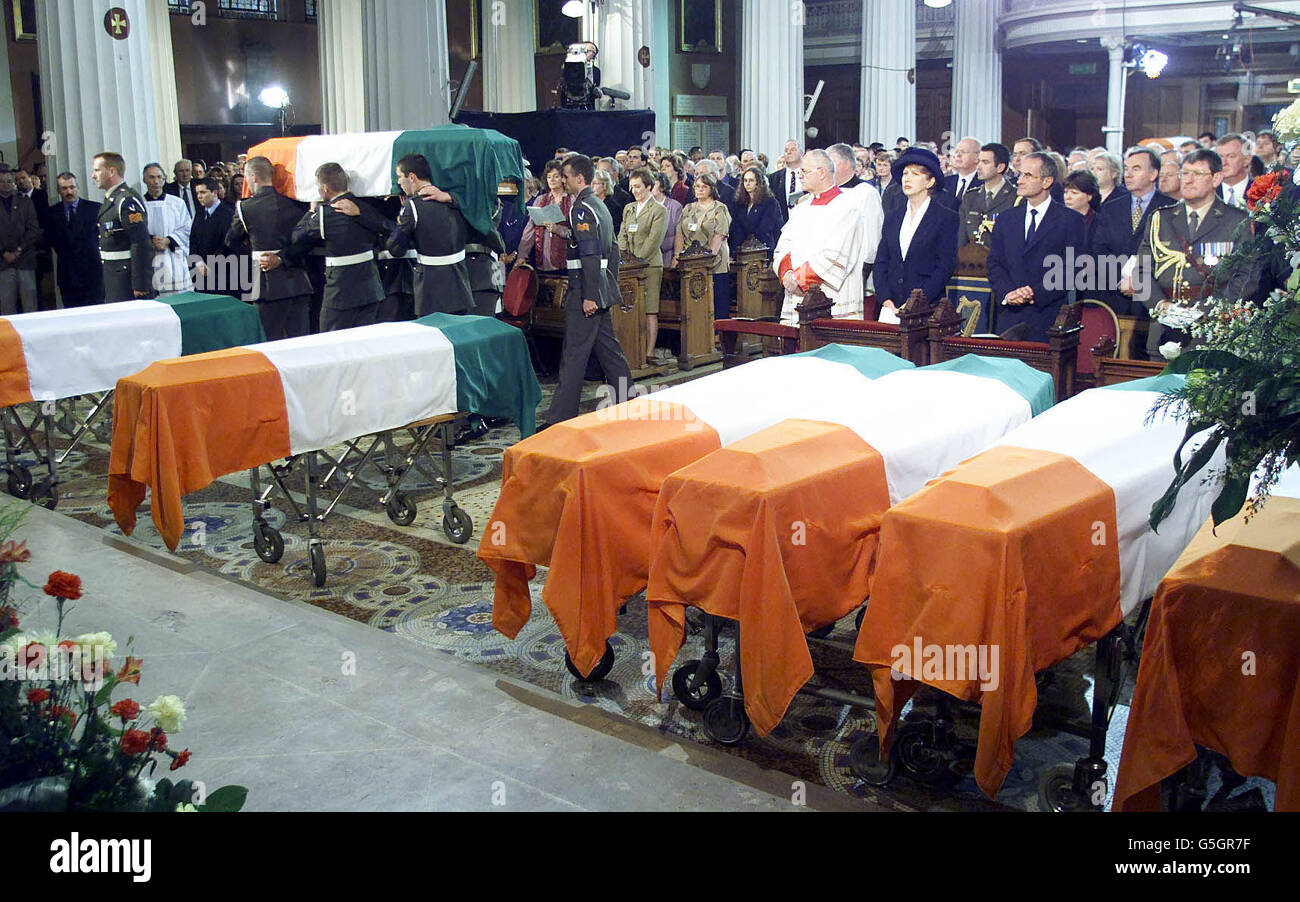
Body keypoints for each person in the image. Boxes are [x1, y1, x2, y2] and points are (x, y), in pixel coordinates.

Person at [1125, 148, 1249, 360]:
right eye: (1185, 173)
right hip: (1164, 331)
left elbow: (1246, 276)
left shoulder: (1237, 221)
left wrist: (1205, 312)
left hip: (1212, 333)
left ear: (1216, 178)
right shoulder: (1160, 219)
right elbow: (1142, 272)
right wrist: (1160, 305)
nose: (1188, 181)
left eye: (1198, 174)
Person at [541, 153, 632, 426]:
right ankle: (629, 402)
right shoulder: (597, 205)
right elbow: (610, 250)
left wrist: (590, 295)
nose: (563, 181)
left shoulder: (581, 208)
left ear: (579, 178)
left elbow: (590, 255)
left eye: (566, 177)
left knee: (574, 354)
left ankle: (559, 418)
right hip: (599, 285)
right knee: (610, 352)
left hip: (586, 290)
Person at [987, 152, 1086, 342]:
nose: (1019, 180)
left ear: (1047, 181)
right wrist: (1009, 293)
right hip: (1009, 315)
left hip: (1048, 317)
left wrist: (1034, 293)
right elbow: (995, 264)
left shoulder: (1071, 221)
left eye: (1028, 175)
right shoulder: (1006, 219)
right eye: (1019, 174)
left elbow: (1071, 268)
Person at [289, 163, 395, 332]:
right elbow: (388, 228)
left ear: (325, 188)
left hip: (339, 292)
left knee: (331, 343)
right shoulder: (366, 208)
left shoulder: (325, 214)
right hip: (370, 289)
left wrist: (311, 210)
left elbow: (297, 237)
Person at [226, 156, 315, 340]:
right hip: (298, 281)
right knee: (301, 341)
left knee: (269, 341)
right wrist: (282, 257)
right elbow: (304, 241)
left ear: (254, 176)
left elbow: (231, 241)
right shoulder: (295, 203)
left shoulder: (245, 207)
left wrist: (254, 258)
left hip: (266, 284)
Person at [772, 149, 866, 323]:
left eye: (804, 171)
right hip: (796, 295)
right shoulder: (801, 209)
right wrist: (787, 275)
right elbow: (783, 247)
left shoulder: (847, 208)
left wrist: (798, 280)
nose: (800, 176)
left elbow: (835, 254)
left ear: (821, 172)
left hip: (832, 299)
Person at [872, 148, 959, 319]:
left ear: (930, 182)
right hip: (891, 308)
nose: (907, 178)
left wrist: (917, 301)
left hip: (925, 309)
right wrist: (885, 299)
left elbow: (944, 266)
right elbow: (882, 261)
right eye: (905, 173)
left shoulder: (945, 217)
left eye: (915, 174)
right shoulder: (893, 216)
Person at [385, 153, 474, 317]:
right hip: (460, 284)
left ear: (411, 177)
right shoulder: (453, 201)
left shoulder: (413, 206)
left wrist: (401, 221)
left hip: (430, 289)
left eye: (399, 176)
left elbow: (395, 248)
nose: (398, 182)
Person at [1092, 146, 1175, 315]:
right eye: (1127, 169)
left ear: (1153, 174)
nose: (1128, 174)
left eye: (1136, 169)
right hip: (1115, 297)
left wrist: (1139, 281)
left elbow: (1170, 255)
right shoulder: (1110, 208)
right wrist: (1120, 280)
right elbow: (1099, 250)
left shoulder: (1171, 208)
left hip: (1153, 300)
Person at [617, 167, 668, 364]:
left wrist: (635, 262)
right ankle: (631, 349)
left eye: (638, 187)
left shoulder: (658, 210)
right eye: (632, 187)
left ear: (649, 186)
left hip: (649, 266)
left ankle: (649, 352)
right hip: (629, 267)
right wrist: (624, 257)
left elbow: (653, 241)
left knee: (649, 309)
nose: (634, 191)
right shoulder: (629, 208)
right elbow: (622, 234)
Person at [91, 152, 153, 302]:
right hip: (114, 276)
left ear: (112, 171)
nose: (93, 175)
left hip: (126, 280)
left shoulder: (126, 200)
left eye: (97, 170)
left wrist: (141, 284)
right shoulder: (112, 199)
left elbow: (141, 242)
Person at [675, 171, 733, 325]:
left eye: (704, 186)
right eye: (697, 186)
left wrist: (708, 259)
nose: (699, 189)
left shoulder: (720, 208)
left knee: (716, 301)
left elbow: (719, 235)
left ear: (711, 188)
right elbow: (679, 232)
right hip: (690, 262)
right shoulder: (688, 208)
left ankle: (719, 336)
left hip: (715, 261)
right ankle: (698, 335)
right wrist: (677, 256)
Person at [43, 172, 105, 307]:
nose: (69, 191)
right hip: (68, 274)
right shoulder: (52, 213)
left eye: (72, 187)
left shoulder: (95, 209)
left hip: (92, 272)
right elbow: (50, 240)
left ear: (77, 188)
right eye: (64, 188)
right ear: (58, 191)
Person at [827, 143, 884, 281]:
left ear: (847, 164)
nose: (827, 168)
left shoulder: (866, 193)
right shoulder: (826, 192)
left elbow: (872, 239)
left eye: (831, 163)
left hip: (857, 274)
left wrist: (862, 275)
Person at [141, 163, 193, 296]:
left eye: (159, 177)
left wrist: (169, 240)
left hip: (173, 257)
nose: (156, 181)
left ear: (164, 179)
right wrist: (151, 240)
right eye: (151, 177)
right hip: (150, 257)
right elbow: (135, 230)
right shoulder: (139, 204)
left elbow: (187, 228)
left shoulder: (176, 203)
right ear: (144, 180)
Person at [517, 159, 572, 274]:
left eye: (556, 176)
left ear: (563, 178)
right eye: (549, 177)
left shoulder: (571, 200)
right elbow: (529, 230)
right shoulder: (540, 200)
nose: (552, 180)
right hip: (542, 260)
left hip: (565, 261)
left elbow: (576, 232)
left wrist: (558, 229)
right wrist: (522, 255)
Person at [0, 165, 42, 315]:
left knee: (30, 305)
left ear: (14, 183)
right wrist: (4, 252)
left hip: (25, 260)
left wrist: (18, 250)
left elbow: (33, 230)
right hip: (3, 263)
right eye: (2, 181)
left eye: (9, 181)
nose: (6, 184)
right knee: (6, 307)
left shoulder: (25, 202)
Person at [958, 143, 1018, 247]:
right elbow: (962, 238)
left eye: (985, 162)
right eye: (978, 162)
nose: (979, 167)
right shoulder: (970, 196)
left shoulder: (1015, 197)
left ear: (1000, 167)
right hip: (972, 260)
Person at [189, 176, 239, 297]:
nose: (199, 196)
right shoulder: (200, 213)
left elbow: (227, 243)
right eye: (197, 193)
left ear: (214, 192)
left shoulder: (228, 214)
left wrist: (210, 264)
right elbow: (193, 239)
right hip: (201, 272)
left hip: (222, 272)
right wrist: (198, 262)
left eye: (203, 192)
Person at [728, 165, 783, 250]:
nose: (747, 183)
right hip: (740, 249)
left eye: (751, 180)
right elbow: (735, 227)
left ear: (758, 183)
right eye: (745, 180)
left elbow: (768, 228)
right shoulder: (739, 203)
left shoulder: (770, 203)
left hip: (763, 249)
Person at [1061, 169, 1101, 254]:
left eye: (1074, 193)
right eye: (1066, 192)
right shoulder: (1058, 220)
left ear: (1089, 196)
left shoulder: (1100, 224)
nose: (1068, 197)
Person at [651, 171, 683, 269]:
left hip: (668, 257)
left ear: (662, 186)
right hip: (648, 257)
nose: (650, 187)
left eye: (654, 184)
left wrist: (676, 257)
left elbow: (678, 233)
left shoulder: (675, 207)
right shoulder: (645, 206)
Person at [768, 140, 804, 218]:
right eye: (786, 150)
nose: (789, 152)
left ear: (801, 154)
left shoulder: (808, 175)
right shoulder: (774, 178)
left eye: (793, 149)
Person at [943, 137, 983, 208]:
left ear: (978, 157)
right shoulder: (945, 182)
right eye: (956, 151)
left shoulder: (984, 183)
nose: (958, 155)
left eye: (964, 152)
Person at [1214, 134, 1251, 209]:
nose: (1223, 163)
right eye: (1219, 157)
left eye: (1231, 156)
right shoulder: (1208, 193)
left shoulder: (1262, 192)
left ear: (1247, 159)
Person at [591, 169, 626, 234]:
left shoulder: (614, 207)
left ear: (604, 185)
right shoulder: (589, 204)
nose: (592, 186)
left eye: (595, 183)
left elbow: (615, 230)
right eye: (591, 183)